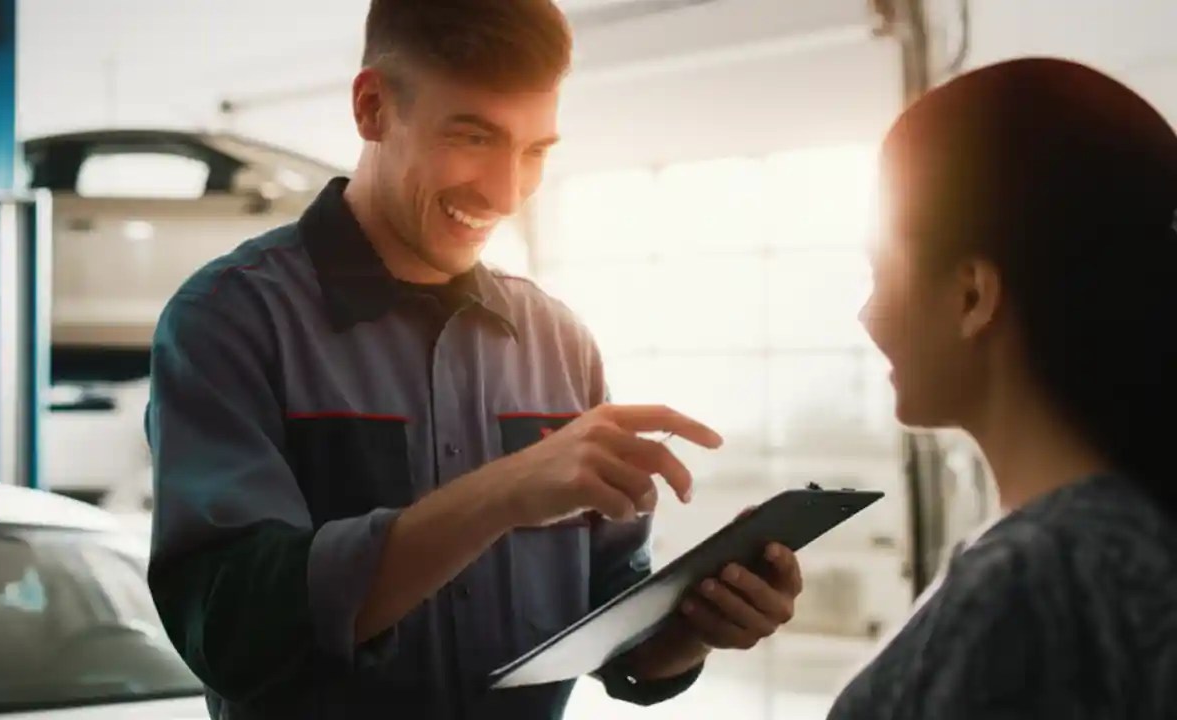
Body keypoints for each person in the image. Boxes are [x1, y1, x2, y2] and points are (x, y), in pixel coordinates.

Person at [145, 1, 803, 718]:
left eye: (536, 151)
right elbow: (237, 632)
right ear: (371, 108)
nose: (506, 191)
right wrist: (504, 493)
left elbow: (613, 619)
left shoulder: (560, 341)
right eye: (472, 136)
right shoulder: (229, 321)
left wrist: (695, 627)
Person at [830, 58, 1177, 720]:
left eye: (880, 271)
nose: (867, 314)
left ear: (972, 295)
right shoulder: (1128, 537)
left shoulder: (1028, 585)